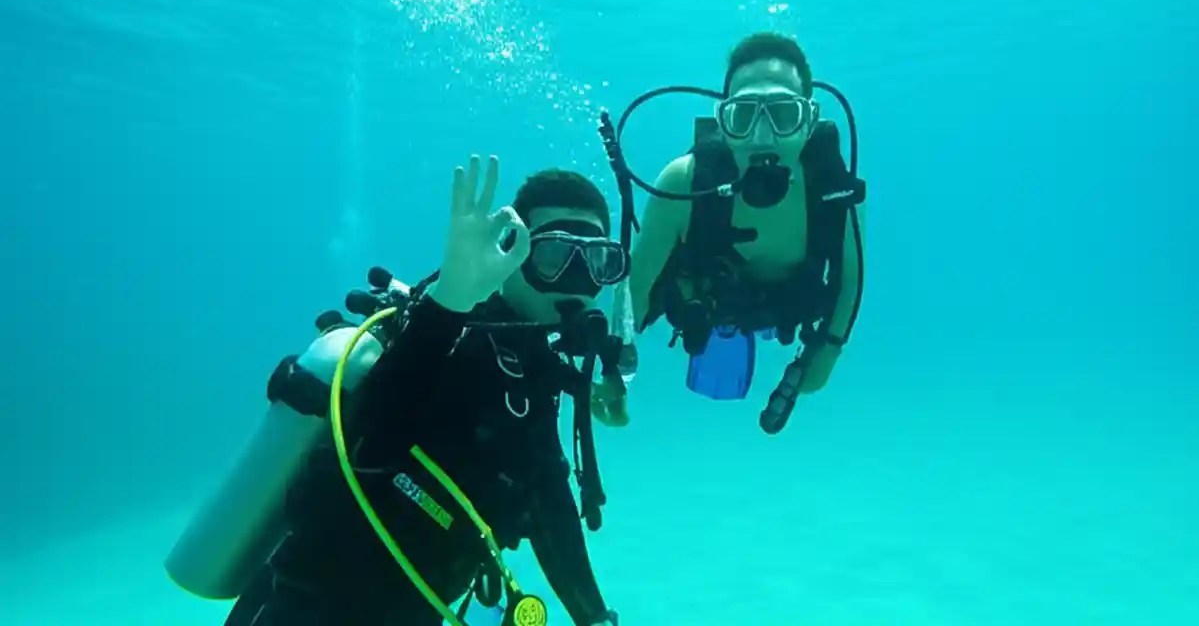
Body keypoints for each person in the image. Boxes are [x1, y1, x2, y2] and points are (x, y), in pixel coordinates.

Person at [166, 157, 623, 626]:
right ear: (511, 253)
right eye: (553, 256)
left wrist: (593, 617)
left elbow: (549, 499)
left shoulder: (530, 371)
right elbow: (376, 439)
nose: (577, 282)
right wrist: (449, 303)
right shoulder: (447, 339)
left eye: (598, 262)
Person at [598, 31, 867, 435]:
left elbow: (851, 279)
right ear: (724, 124)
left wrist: (827, 350)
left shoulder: (836, 192)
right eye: (743, 116)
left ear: (809, 122)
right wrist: (612, 368)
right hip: (709, 301)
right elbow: (635, 288)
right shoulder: (683, 182)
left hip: (791, 303)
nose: (762, 135)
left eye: (784, 115)